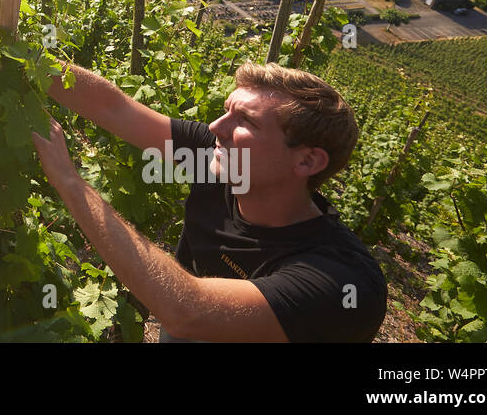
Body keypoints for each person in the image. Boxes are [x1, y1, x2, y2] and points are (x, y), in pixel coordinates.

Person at [31, 58, 387, 342]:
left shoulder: (341, 281)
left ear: (307, 160)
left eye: (245, 120)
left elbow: (187, 309)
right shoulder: (217, 159)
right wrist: (25, 56)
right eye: (227, 110)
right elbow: (114, 108)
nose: (216, 127)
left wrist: (69, 181)